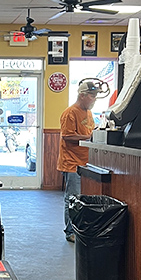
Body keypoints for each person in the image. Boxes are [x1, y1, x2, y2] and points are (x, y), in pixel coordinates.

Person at [57, 80, 99, 242]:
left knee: (82, 198)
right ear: (81, 95)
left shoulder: (88, 113)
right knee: (72, 198)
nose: (94, 99)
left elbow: (89, 131)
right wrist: (88, 137)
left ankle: (80, 229)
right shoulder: (70, 113)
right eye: (91, 96)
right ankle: (70, 231)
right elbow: (67, 136)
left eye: (95, 96)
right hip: (71, 162)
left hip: (85, 161)